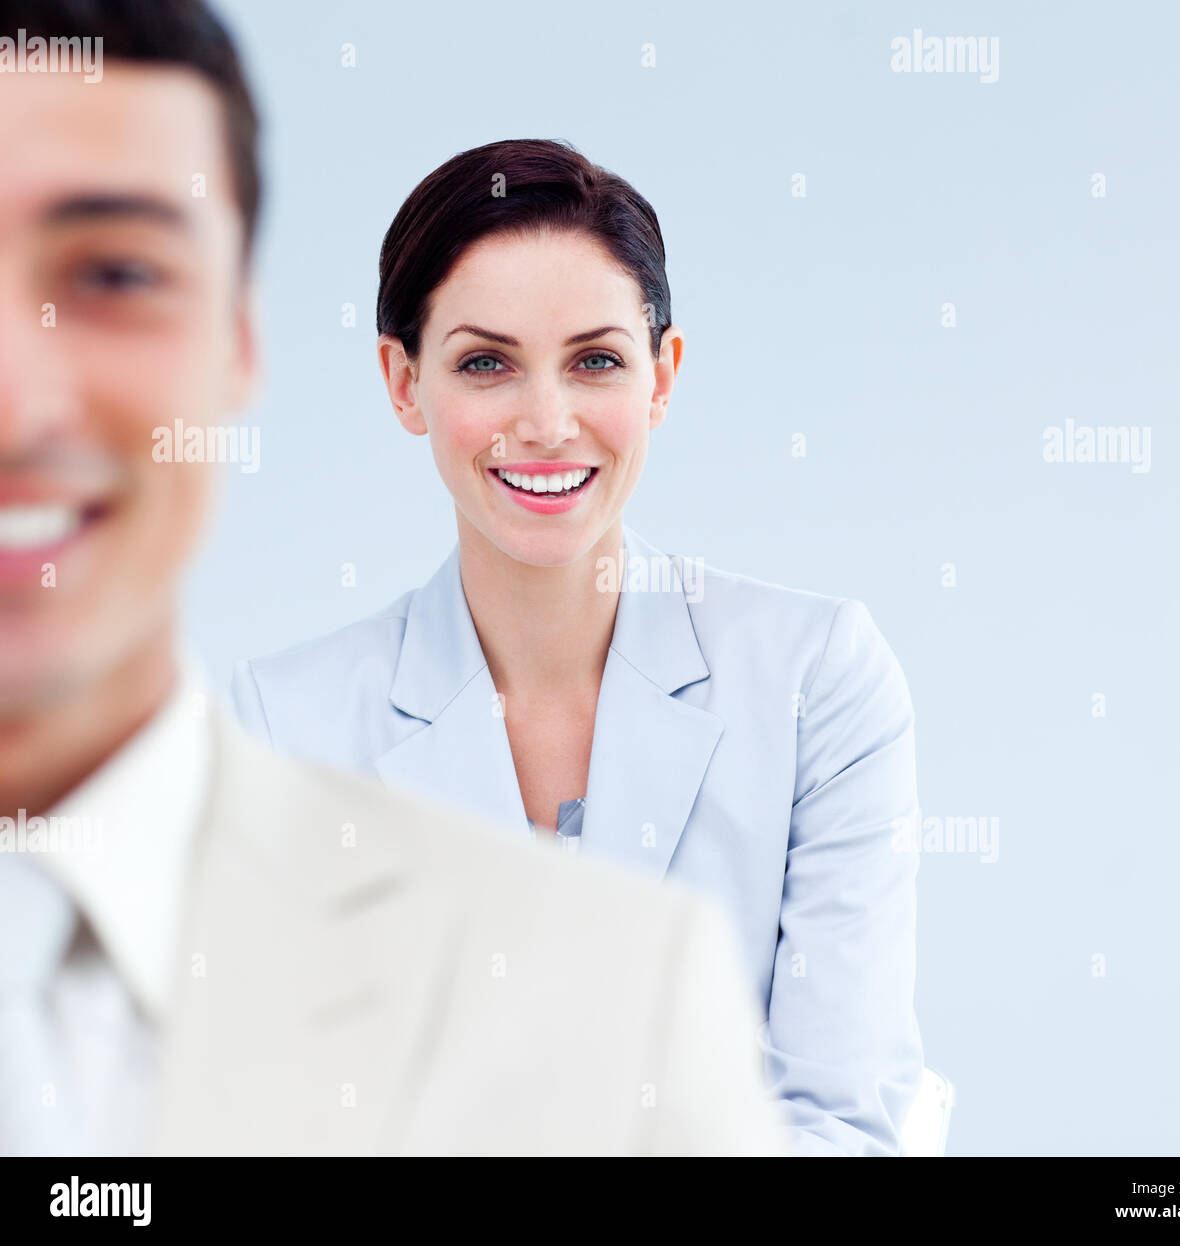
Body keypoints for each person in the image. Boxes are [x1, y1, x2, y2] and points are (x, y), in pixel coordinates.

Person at [0, 0, 785, 1157]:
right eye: (484, 360)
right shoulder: (303, 707)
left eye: (117, 272)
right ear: (400, 380)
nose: (20, 397)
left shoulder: (626, 995)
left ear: (239, 344)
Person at [234, 138, 925, 1155]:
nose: (547, 421)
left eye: (595, 360)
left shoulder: (815, 681)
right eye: (485, 363)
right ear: (403, 381)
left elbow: (842, 1122)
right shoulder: (286, 729)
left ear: (661, 375)